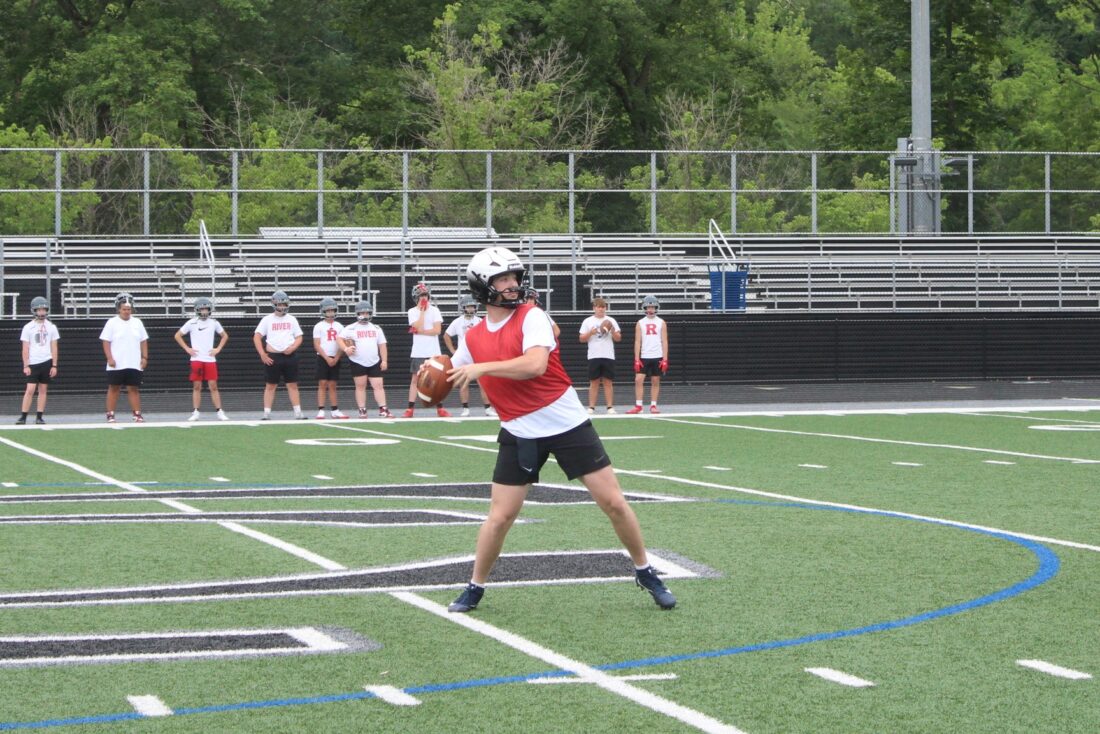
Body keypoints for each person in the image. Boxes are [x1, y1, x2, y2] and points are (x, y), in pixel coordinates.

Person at [441, 246, 676, 613]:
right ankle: (475, 585)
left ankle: (645, 570)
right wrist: (432, 374)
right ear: (482, 286)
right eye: (502, 279)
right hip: (519, 429)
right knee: (500, 516)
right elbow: (450, 373)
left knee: (613, 501)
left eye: (514, 277)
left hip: (565, 421)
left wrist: (482, 369)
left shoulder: (532, 316)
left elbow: (535, 365)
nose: (512, 285)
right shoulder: (473, 338)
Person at [173, 296, 230, 421]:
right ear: (197, 310)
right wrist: (187, 349)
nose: (204, 311)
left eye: (206, 309)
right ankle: (196, 412)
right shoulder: (192, 322)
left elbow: (224, 336)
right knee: (197, 386)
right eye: (202, 309)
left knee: (213, 385)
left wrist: (218, 349)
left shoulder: (214, 323)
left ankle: (219, 411)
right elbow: (177, 335)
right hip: (196, 359)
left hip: (210, 359)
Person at [253, 290, 305, 420]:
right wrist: (262, 354)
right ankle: (266, 413)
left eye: (284, 304)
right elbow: (257, 336)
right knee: (270, 385)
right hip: (273, 356)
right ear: (274, 304)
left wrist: (293, 347)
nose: (282, 307)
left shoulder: (291, 319)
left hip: (289, 356)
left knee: (292, 384)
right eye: (280, 304)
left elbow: (299, 337)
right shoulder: (267, 319)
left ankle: (298, 412)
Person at [100, 292, 149, 423]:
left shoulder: (137, 322)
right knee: (114, 387)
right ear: (119, 309)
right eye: (124, 309)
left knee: (133, 388)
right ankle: (110, 414)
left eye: (128, 309)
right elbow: (106, 341)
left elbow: (143, 341)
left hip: (134, 362)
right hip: (117, 362)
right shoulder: (111, 323)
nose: (127, 312)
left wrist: (144, 357)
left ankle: (137, 414)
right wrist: (109, 358)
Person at [404, 282, 451, 418]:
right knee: (415, 380)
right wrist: (422, 313)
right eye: (421, 296)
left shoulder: (435, 310)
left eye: (425, 295)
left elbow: (437, 330)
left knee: (436, 379)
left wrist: (421, 331)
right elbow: (416, 326)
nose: (424, 298)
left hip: (433, 352)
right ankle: (410, 409)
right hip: (418, 351)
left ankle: (440, 408)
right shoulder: (412, 311)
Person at [341, 300, 394, 418]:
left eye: (367, 313)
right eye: (362, 313)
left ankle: (383, 409)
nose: (365, 315)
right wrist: (346, 349)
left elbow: (382, 345)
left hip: (374, 361)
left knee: (378, 385)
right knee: (360, 386)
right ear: (357, 313)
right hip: (357, 361)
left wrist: (384, 360)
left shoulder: (376, 328)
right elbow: (339, 339)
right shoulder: (351, 328)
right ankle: (362, 409)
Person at [444, 295, 493, 417]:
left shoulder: (480, 321)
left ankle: (488, 408)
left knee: (483, 382)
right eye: (468, 307)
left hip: (477, 353)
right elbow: (446, 335)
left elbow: (487, 336)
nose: (471, 309)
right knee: (463, 382)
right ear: (463, 308)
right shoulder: (458, 321)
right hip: (463, 354)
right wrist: (453, 350)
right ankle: (465, 408)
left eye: (472, 306)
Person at [17, 296, 59, 425]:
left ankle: (39, 416)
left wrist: (54, 365)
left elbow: (54, 346)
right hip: (33, 362)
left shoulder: (51, 327)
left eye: (43, 310)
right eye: (39, 310)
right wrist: (26, 364)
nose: (41, 313)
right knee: (30, 389)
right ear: (34, 311)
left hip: (46, 361)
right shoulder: (28, 327)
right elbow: (25, 348)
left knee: (43, 389)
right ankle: (23, 416)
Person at [627, 295, 668, 415]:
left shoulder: (661, 322)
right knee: (638, 379)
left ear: (656, 307)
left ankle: (653, 405)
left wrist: (665, 359)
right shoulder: (640, 323)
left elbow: (664, 341)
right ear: (644, 308)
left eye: (652, 307)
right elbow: (637, 341)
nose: (650, 309)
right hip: (644, 355)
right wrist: (636, 358)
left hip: (657, 354)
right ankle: (639, 405)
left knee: (655, 380)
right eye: (648, 307)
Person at [579, 297, 621, 414]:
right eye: (599, 307)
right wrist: (590, 333)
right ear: (594, 308)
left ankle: (610, 407)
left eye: (603, 307)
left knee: (608, 381)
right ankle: (591, 407)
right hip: (594, 355)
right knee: (594, 382)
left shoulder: (610, 320)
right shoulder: (588, 321)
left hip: (608, 354)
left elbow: (618, 338)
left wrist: (612, 330)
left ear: (605, 308)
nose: (601, 309)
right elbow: (581, 339)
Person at [312, 297, 348, 419]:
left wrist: (337, 357)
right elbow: (317, 344)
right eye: (328, 311)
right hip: (323, 357)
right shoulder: (318, 326)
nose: (330, 313)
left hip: (335, 357)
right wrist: (327, 358)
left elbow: (342, 343)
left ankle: (335, 409)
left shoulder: (339, 326)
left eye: (332, 310)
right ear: (323, 311)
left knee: (333, 384)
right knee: (322, 383)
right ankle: (321, 409)